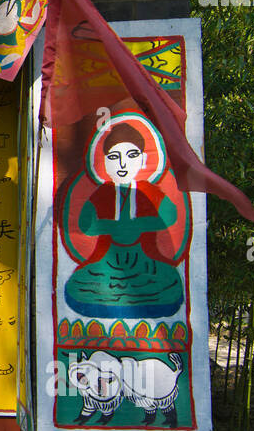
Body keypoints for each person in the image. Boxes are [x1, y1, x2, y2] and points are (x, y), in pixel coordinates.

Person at [63, 121, 184, 320]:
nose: (122, 164)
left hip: (146, 265)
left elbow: (170, 216)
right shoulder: (103, 194)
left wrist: (139, 225)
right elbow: (85, 225)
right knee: (78, 286)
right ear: (103, 162)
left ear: (144, 160)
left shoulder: (150, 192)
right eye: (113, 157)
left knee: (169, 284)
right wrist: (113, 227)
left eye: (132, 156)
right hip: (105, 267)